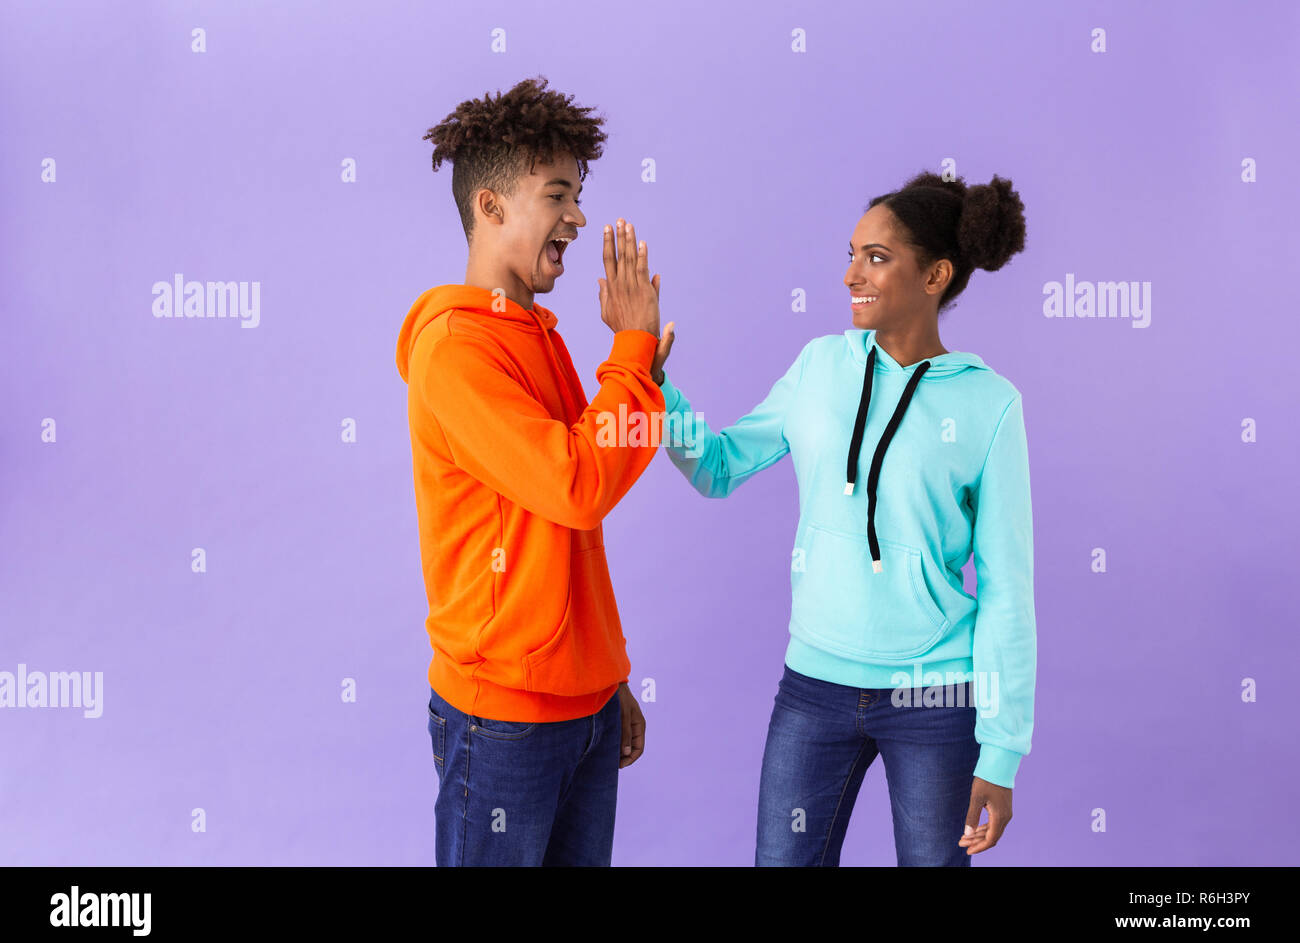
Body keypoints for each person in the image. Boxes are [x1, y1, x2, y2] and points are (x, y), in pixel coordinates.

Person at [658, 172, 1036, 865]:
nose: (849, 274)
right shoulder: (819, 366)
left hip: (935, 697)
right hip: (813, 688)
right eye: (851, 253)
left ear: (936, 275)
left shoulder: (991, 405)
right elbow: (717, 466)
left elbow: (1009, 589)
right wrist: (654, 385)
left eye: (877, 257)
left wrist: (1003, 750)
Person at [395, 76, 672, 866]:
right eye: (559, 195)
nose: (579, 217)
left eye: (579, 195)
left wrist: (604, 673)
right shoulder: (455, 350)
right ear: (491, 207)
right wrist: (630, 356)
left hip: (577, 704)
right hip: (504, 719)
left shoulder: (536, 336)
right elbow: (577, 486)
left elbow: (566, 524)